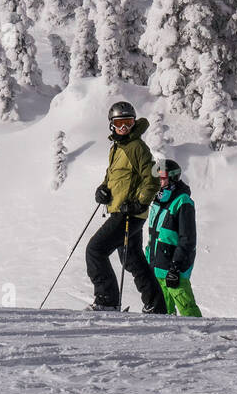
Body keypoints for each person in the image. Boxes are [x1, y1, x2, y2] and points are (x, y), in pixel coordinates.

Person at [86, 101, 165, 313]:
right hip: (122, 210)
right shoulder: (117, 148)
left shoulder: (136, 147)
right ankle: (156, 306)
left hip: (128, 213)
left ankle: (106, 300)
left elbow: (153, 178)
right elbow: (113, 176)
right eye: (119, 123)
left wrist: (139, 202)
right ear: (111, 125)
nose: (124, 128)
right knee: (132, 259)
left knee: (95, 250)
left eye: (128, 123)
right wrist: (102, 189)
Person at [145, 158, 202, 317]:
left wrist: (176, 267)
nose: (159, 181)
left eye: (162, 178)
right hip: (157, 268)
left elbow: (187, 239)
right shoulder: (158, 200)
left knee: (187, 308)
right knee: (162, 314)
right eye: (158, 177)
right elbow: (154, 236)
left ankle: (202, 338)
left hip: (174, 269)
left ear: (173, 178)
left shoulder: (183, 201)